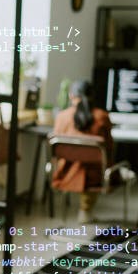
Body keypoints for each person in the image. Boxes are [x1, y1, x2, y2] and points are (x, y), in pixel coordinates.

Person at [51, 80, 113, 223]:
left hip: (65, 173)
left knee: (81, 165)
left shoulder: (62, 116)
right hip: (96, 177)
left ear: (72, 96)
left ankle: (78, 214)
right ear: (92, 95)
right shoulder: (102, 116)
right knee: (98, 165)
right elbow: (109, 149)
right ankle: (86, 210)